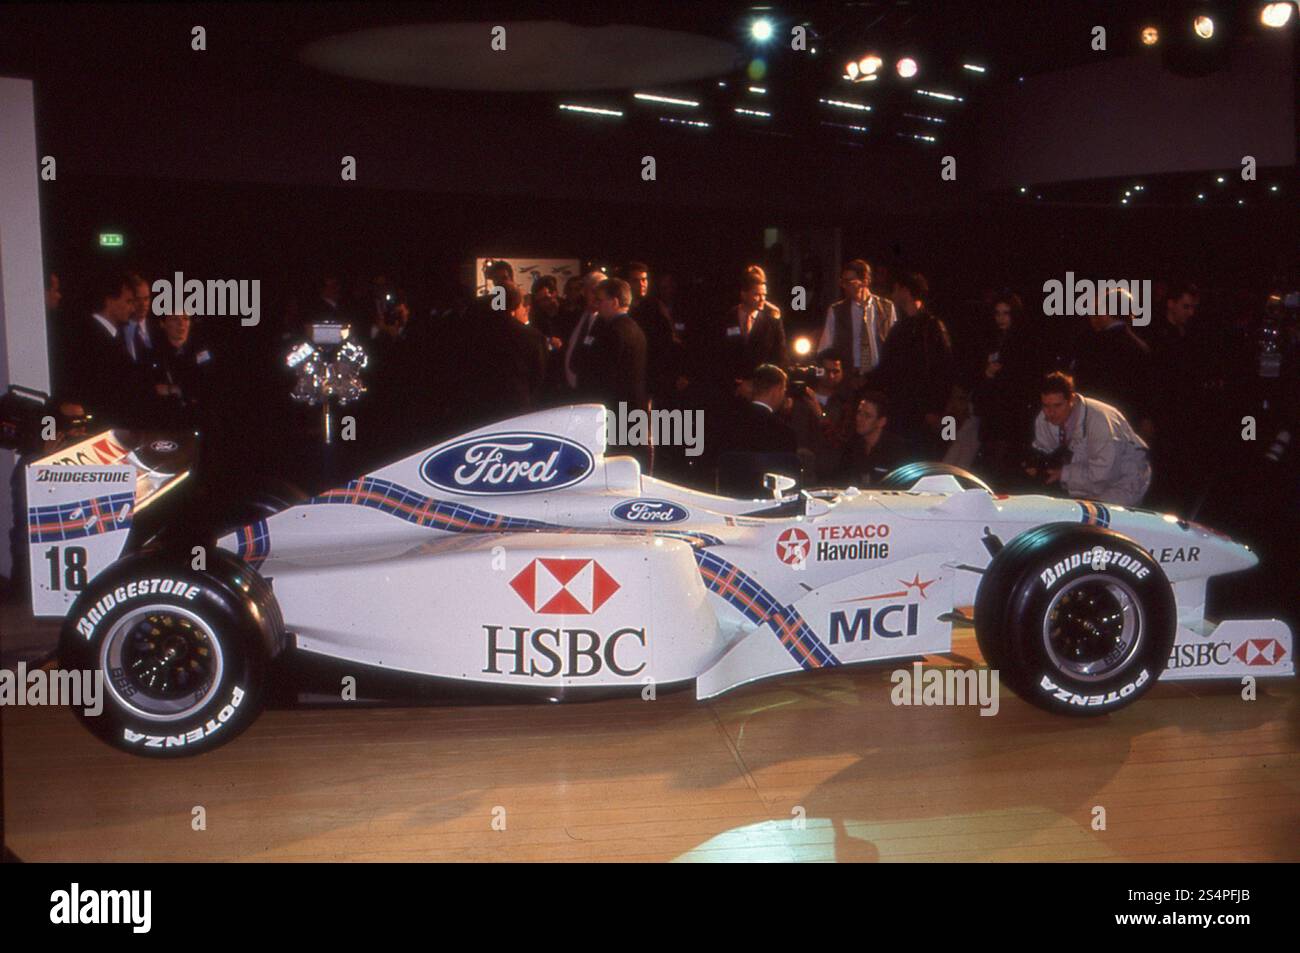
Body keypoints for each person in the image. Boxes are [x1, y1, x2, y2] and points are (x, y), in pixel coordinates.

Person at [1029, 372, 1151, 506]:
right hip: (1087, 482)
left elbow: (1104, 474)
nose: (1051, 412)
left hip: (1124, 482)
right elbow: (1043, 449)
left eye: (1057, 406)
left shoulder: (1100, 420)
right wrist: (1038, 465)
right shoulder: (1045, 417)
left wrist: (1063, 474)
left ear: (1072, 400)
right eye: (1046, 406)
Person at [874, 270, 955, 451]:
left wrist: (935, 409)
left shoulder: (932, 328)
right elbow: (887, 367)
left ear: (905, 291)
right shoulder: (899, 328)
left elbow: (944, 370)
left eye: (896, 289)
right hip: (899, 407)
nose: (892, 294)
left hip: (921, 412)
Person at [572, 278, 648, 459]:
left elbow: (594, 369)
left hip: (614, 412)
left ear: (614, 302)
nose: (596, 305)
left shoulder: (612, 332)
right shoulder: (635, 329)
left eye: (600, 300)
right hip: (632, 410)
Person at [817, 258, 896, 380]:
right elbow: (825, 347)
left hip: (879, 375)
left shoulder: (887, 308)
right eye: (843, 282)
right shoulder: (837, 310)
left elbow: (893, 345)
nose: (845, 286)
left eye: (849, 281)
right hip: (849, 375)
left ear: (865, 281)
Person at [840, 391, 911, 486]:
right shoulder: (852, 446)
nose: (859, 418)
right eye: (859, 413)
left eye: (867, 416)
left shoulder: (896, 450)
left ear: (881, 421)